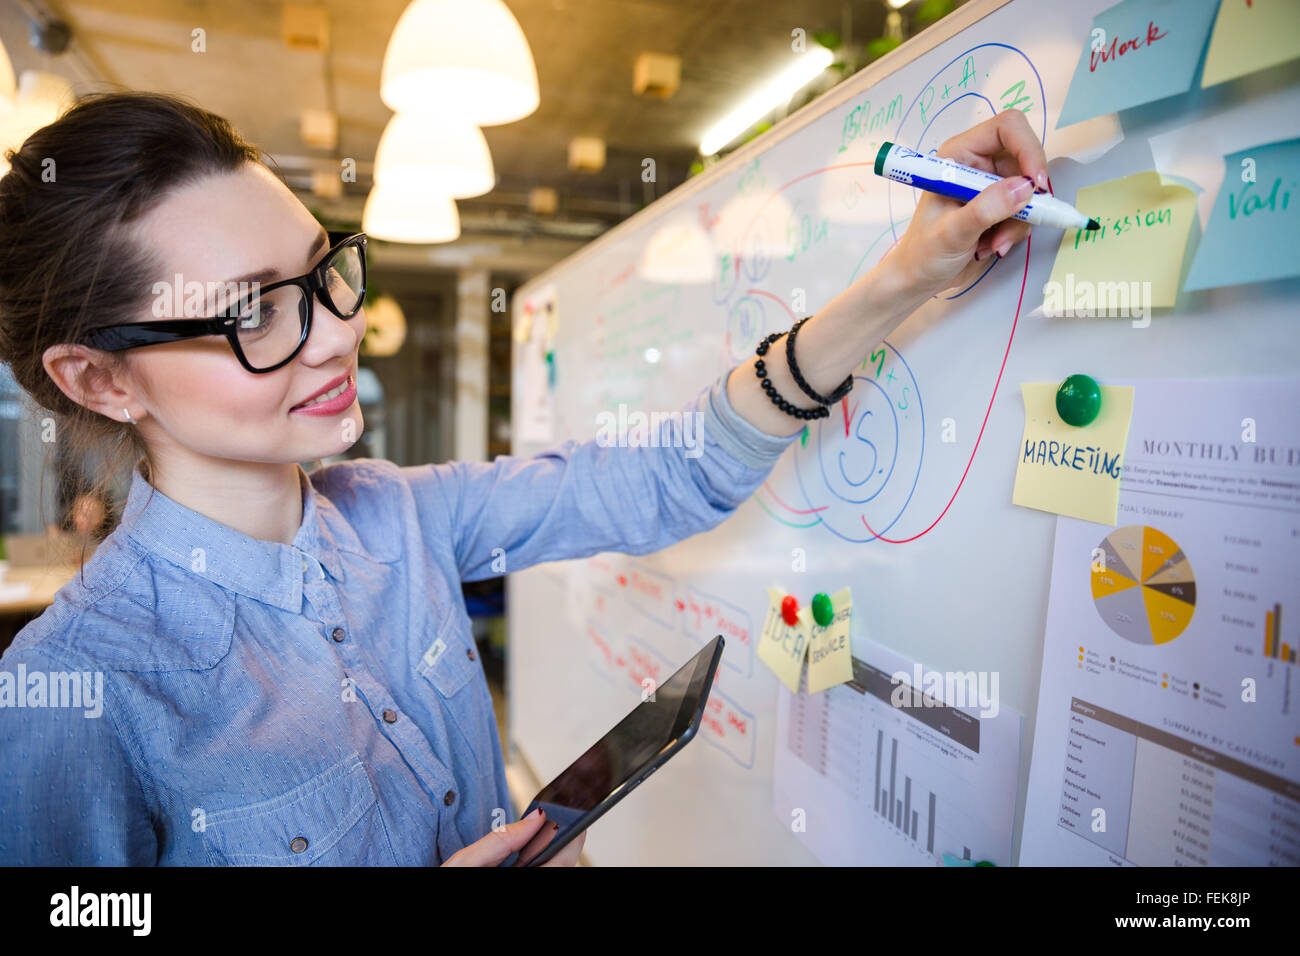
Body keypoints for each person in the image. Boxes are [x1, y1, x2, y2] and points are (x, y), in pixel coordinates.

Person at [0, 91, 1045, 866]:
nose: (332, 337)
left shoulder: (400, 516)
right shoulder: (73, 687)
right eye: (251, 314)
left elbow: (665, 475)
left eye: (322, 273)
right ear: (100, 377)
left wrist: (903, 275)